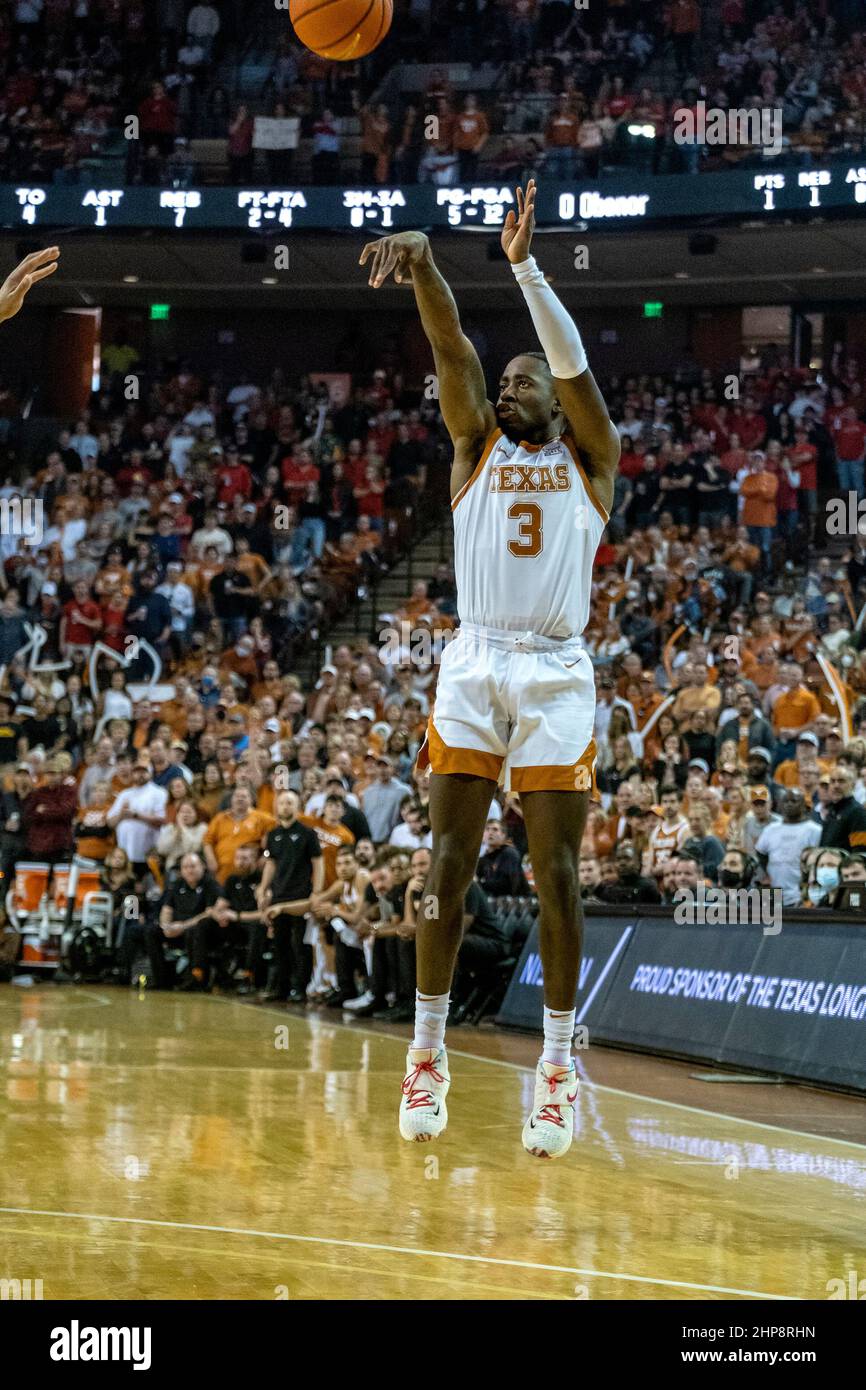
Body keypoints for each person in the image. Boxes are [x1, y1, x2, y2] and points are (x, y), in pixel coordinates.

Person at [360, 178, 620, 1157]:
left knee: (554, 871)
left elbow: (575, 368)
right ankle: (424, 1049)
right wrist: (427, 261)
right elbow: (449, 345)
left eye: (523, 380)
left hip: (555, 673)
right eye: (501, 382)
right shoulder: (471, 446)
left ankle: (554, 1066)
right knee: (445, 864)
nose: (506, 387)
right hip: (471, 663)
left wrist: (525, 267)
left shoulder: (591, 457)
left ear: (553, 397)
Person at [258, 789, 324, 1002]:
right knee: (280, 944)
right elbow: (271, 863)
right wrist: (263, 887)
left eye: (290, 803)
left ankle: (301, 988)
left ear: (298, 807)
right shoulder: (273, 834)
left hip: (300, 895)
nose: (285, 806)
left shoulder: (307, 833)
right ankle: (282, 987)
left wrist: (317, 891)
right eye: (282, 802)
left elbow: (318, 863)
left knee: (299, 944)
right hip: (279, 895)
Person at [148, 851, 222, 990]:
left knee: (196, 930)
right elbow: (166, 909)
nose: (189, 870)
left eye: (193, 866)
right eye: (186, 867)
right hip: (176, 929)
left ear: (202, 867)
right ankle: (161, 979)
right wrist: (166, 927)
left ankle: (195, 977)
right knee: (152, 931)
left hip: (198, 932)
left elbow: (210, 913)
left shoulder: (210, 884)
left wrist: (183, 926)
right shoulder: (177, 884)